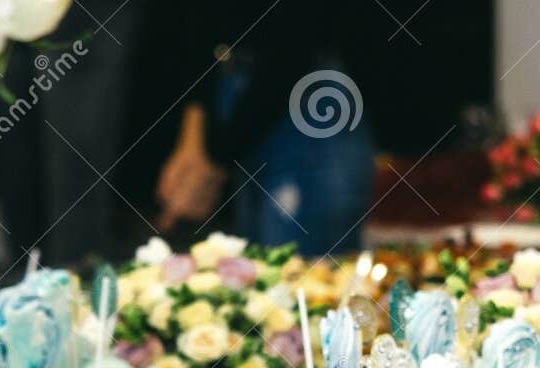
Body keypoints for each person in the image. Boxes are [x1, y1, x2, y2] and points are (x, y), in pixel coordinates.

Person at [150, 1, 376, 254]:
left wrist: (213, 160)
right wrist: (193, 142)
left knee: (300, 275)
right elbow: (202, 19)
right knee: (261, 271)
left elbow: (297, 35)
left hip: (307, 95)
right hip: (233, 84)